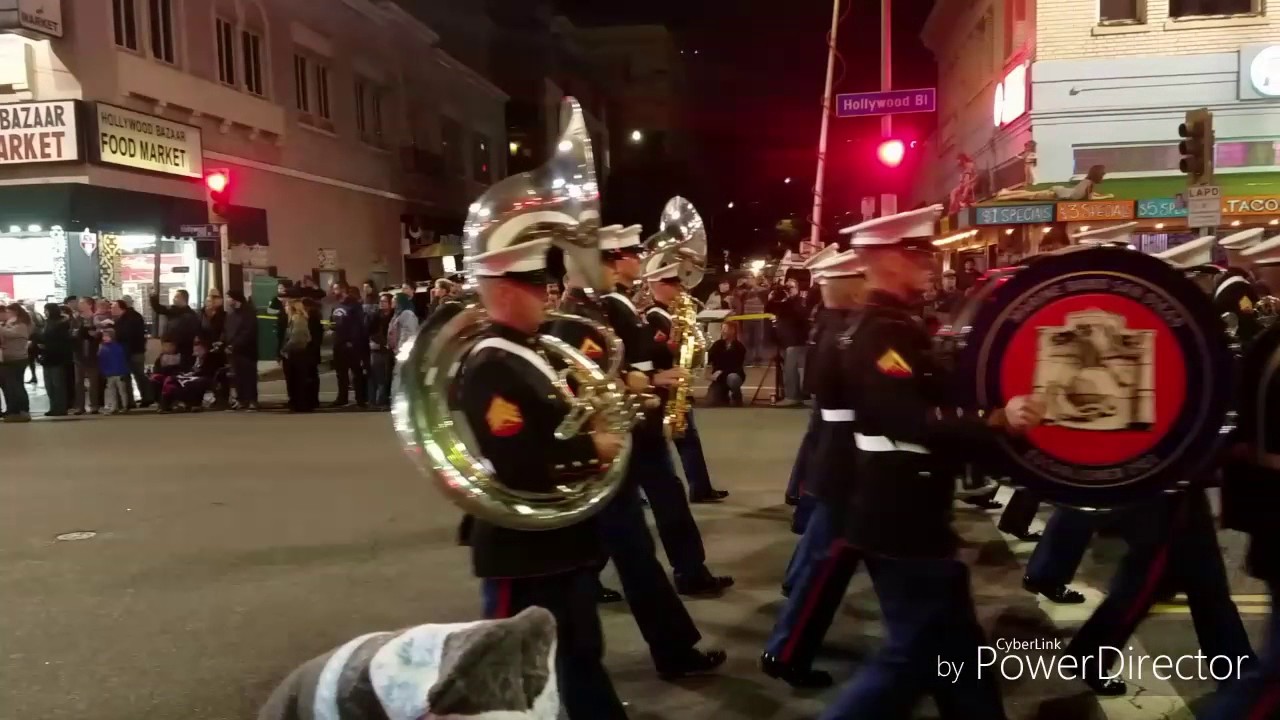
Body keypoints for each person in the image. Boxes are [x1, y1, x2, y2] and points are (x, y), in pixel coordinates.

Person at [820, 205, 1044, 720]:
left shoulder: (894, 325)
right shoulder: (881, 333)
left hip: (909, 506)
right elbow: (909, 418)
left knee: (958, 652)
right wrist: (993, 421)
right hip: (899, 513)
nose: (930, 260)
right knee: (908, 660)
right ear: (882, 259)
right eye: (916, 251)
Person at [459, 222, 629, 719]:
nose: (547, 296)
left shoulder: (530, 352)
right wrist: (591, 448)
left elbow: (554, 421)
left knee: (579, 654)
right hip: (522, 545)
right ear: (506, 290)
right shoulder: (493, 364)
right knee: (514, 669)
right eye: (537, 287)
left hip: (559, 537)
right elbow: (520, 461)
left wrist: (595, 415)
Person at [550, 228, 727, 677]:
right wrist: (644, 383)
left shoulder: (594, 313)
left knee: (616, 553)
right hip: (603, 454)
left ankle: (668, 649)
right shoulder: (578, 320)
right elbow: (593, 384)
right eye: (624, 257)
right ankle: (665, 651)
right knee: (630, 553)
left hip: (611, 449)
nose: (631, 265)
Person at [763, 249, 868, 688]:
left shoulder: (835, 327)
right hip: (850, 463)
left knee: (824, 548)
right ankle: (787, 649)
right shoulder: (839, 331)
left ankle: (789, 642)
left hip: (842, 461)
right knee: (828, 550)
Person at [642, 258, 731, 507]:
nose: (679, 287)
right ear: (657, 284)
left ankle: (699, 487)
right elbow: (654, 352)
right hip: (662, 387)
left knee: (687, 437)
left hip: (675, 384)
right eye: (672, 282)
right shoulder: (654, 316)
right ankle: (649, 493)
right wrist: (676, 345)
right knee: (658, 445)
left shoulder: (669, 315)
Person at [766, 276, 809, 406]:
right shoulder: (783, 303)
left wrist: (791, 298)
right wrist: (771, 298)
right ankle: (793, 395)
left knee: (793, 370)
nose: (788, 290)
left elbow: (801, 315)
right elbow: (769, 310)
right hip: (785, 342)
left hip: (797, 341)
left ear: (798, 289)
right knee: (788, 370)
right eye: (787, 287)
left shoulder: (800, 301)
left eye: (791, 287)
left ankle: (793, 397)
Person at [331, 285, 369, 409]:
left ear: (344, 290)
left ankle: (360, 399)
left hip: (352, 345)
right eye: (334, 289)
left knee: (356, 373)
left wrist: (352, 341)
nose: (335, 292)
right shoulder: (336, 305)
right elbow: (333, 321)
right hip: (338, 343)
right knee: (341, 373)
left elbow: (358, 325)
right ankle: (342, 398)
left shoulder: (354, 305)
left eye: (337, 289)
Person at [223, 290, 259, 410]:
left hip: (247, 351)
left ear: (235, 299)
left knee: (249, 376)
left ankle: (252, 399)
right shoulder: (231, 314)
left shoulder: (248, 313)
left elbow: (248, 332)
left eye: (228, 298)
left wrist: (235, 345)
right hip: (234, 351)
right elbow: (227, 330)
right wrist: (224, 342)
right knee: (238, 376)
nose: (227, 301)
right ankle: (242, 399)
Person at [110, 299, 150, 409]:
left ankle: (144, 398)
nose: (111, 310)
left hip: (132, 351)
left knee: (137, 375)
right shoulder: (126, 318)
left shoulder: (130, 319)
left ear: (121, 308)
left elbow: (128, 335)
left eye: (113, 307)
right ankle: (132, 400)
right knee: (133, 376)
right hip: (131, 350)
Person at [281, 298, 316, 413]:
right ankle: (296, 403)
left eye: (286, 306)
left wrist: (285, 349)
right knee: (294, 381)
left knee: (298, 381)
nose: (285, 308)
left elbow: (297, 338)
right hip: (294, 353)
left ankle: (301, 404)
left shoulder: (298, 320)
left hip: (298, 354)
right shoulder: (292, 320)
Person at [36, 303, 71, 416]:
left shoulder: (62, 324)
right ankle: (53, 406)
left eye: (46, 310)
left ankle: (60, 407)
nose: (45, 312)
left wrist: (47, 345)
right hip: (47, 357)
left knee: (58, 384)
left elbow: (63, 341)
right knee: (49, 384)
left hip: (57, 357)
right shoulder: (46, 323)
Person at [0, 303, 33, 422]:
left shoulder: (21, 325)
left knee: (17, 386)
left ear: (14, 312)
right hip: (8, 358)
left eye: (8, 312)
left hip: (17, 358)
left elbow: (10, 334)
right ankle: (13, 411)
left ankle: (23, 411)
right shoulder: (8, 324)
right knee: (10, 387)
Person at [150, 289, 200, 361]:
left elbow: (190, 334)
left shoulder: (191, 316)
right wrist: (153, 297)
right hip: (168, 348)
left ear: (183, 299)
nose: (173, 299)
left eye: (176, 297)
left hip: (182, 350)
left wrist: (174, 343)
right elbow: (158, 308)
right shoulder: (172, 310)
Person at [706, 320, 746, 406]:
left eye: (725, 329)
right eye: (722, 329)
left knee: (733, 378)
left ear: (733, 331)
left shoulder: (740, 348)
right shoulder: (717, 344)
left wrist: (720, 372)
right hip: (719, 379)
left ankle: (737, 395)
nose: (723, 331)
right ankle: (723, 395)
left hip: (733, 375)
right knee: (712, 401)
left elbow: (736, 367)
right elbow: (709, 359)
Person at [367, 293, 394, 409]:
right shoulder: (374, 316)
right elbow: (368, 330)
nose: (382, 304)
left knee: (385, 377)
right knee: (375, 375)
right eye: (381, 302)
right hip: (376, 347)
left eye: (384, 302)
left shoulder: (393, 316)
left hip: (388, 348)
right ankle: (373, 401)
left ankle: (382, 400)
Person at [97, 328, 131, 414]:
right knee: (114, 391)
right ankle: (115, 407)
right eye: (104, 336)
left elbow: (122, 360)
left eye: (106, 336)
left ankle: (123, 406)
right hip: (111, 373)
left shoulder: (113, 347)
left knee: (120, 391)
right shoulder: (105, 347)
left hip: (117, 373)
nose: (104, 338)